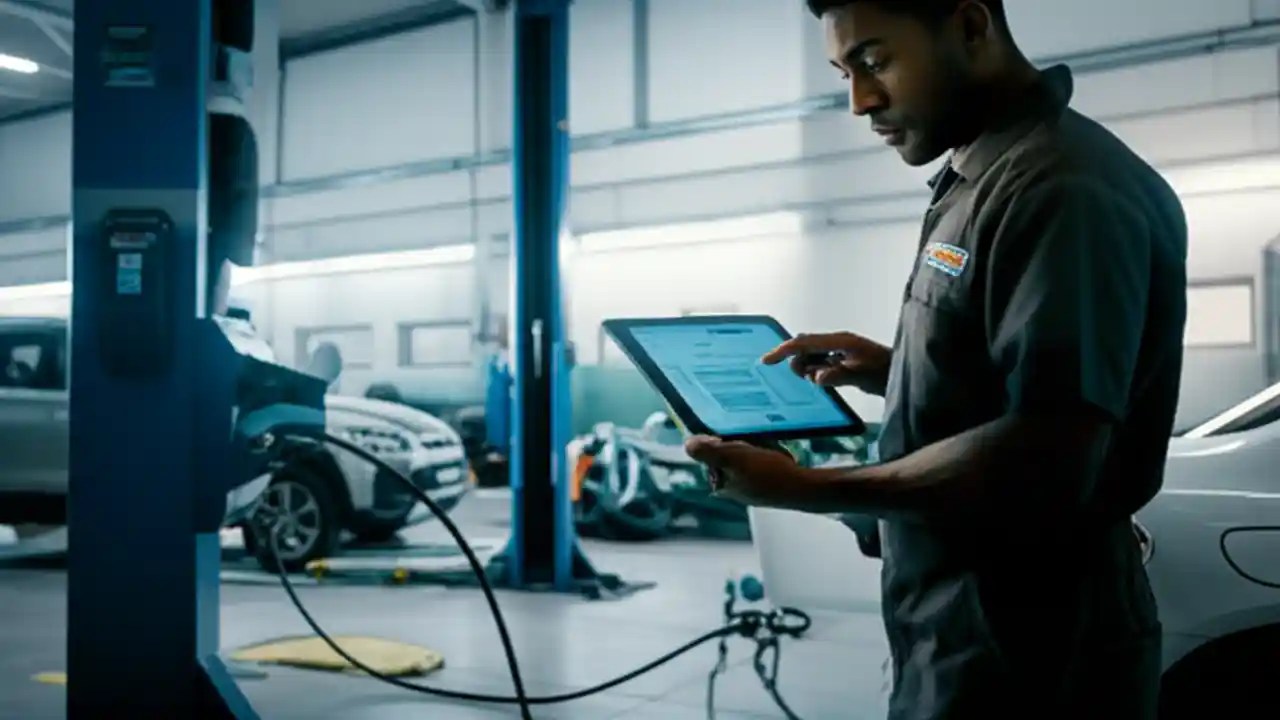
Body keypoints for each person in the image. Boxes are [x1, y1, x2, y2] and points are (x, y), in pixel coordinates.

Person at [683, 1, 1188, 718]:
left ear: (972, 27)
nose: (860, 101)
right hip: (961, 629)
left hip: (1031, 646)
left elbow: (1048, 451)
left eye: (874, 61)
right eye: (843, 72)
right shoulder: (984, 177)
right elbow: (1023, 387)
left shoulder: (1062, 186)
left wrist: (806, 488)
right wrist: (893, 371)